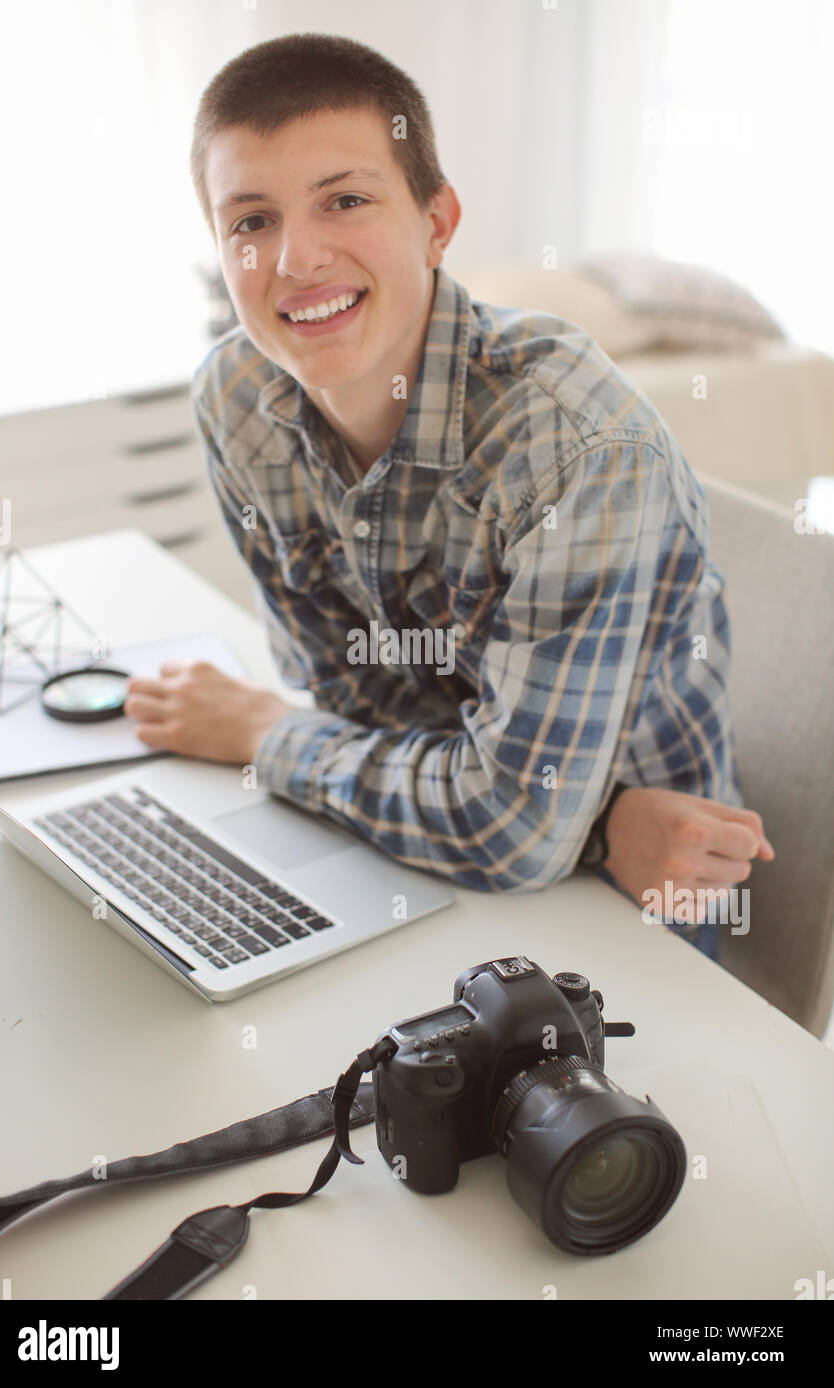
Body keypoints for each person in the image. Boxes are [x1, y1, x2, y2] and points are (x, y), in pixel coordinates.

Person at [123, 33, 774, 958]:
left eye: (345, 200)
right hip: (430, 854)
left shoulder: (576, 446)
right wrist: (593, 822)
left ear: (436, 222)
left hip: (627, 922)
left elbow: (511, 834)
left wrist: (268, 734)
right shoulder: (236, 397)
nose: (296, 259)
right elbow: (351, 699)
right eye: (252, 222)